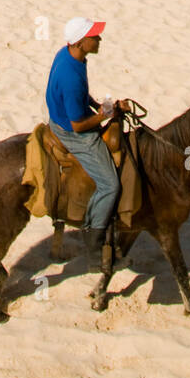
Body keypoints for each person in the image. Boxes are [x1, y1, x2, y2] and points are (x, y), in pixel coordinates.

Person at [45, 17, 127, 260]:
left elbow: (81, 96)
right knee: (110, 184)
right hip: (72, 134)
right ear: (81, 42)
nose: (99, 39)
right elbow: (79, 126)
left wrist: (97, 105)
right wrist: (105, 114)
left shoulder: (69, 55)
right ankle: (94, 234)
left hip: (61, 116)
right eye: (94, 36)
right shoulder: (71, 77)